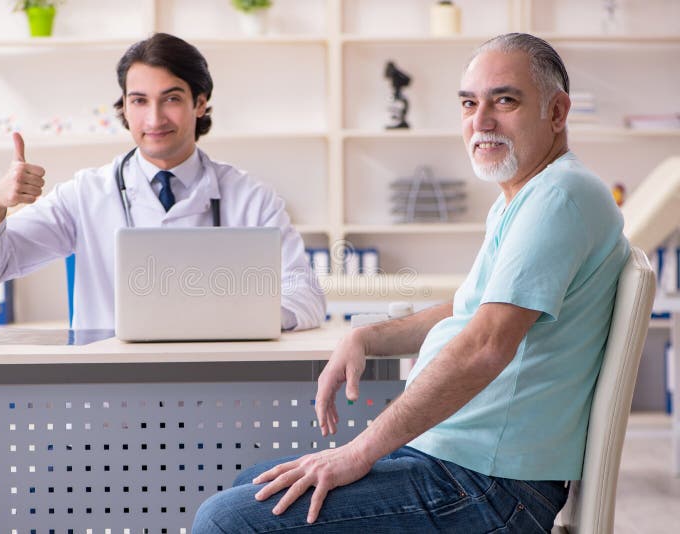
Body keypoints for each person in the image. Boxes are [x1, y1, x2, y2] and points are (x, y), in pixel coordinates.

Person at [192, 32, 630, 532]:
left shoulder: (559, 198)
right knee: (250, 488)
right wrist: (365, 336)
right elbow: (471, 310)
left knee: (228, 521)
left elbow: (485, 345)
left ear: (556, 112)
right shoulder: (526, 196)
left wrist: (356, 453)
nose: (480, 121)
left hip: (490, 486)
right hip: (466, 463)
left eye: (504, 100)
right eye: (469, 103)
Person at [0, 33, 325, 331]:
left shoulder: (251, 198)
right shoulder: (86, 194)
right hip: (112, 396)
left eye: (171, 98)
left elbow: (305, 297)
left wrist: (239, 318)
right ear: (124, 106)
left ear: (199, 103)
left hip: (216, 391)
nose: (154, 118)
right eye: (139, 101)